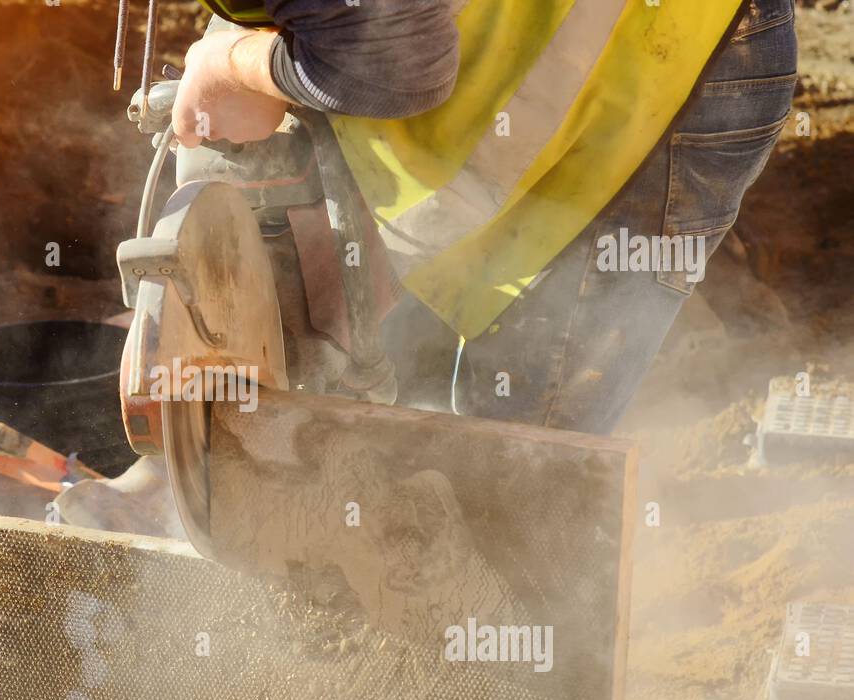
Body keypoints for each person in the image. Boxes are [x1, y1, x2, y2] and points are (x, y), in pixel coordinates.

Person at [171, 0, 797, 434]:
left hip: (668, 64)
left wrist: (233, 66)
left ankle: (527, 612)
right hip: (557, 60)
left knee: (517, 465)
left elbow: (398, 66)